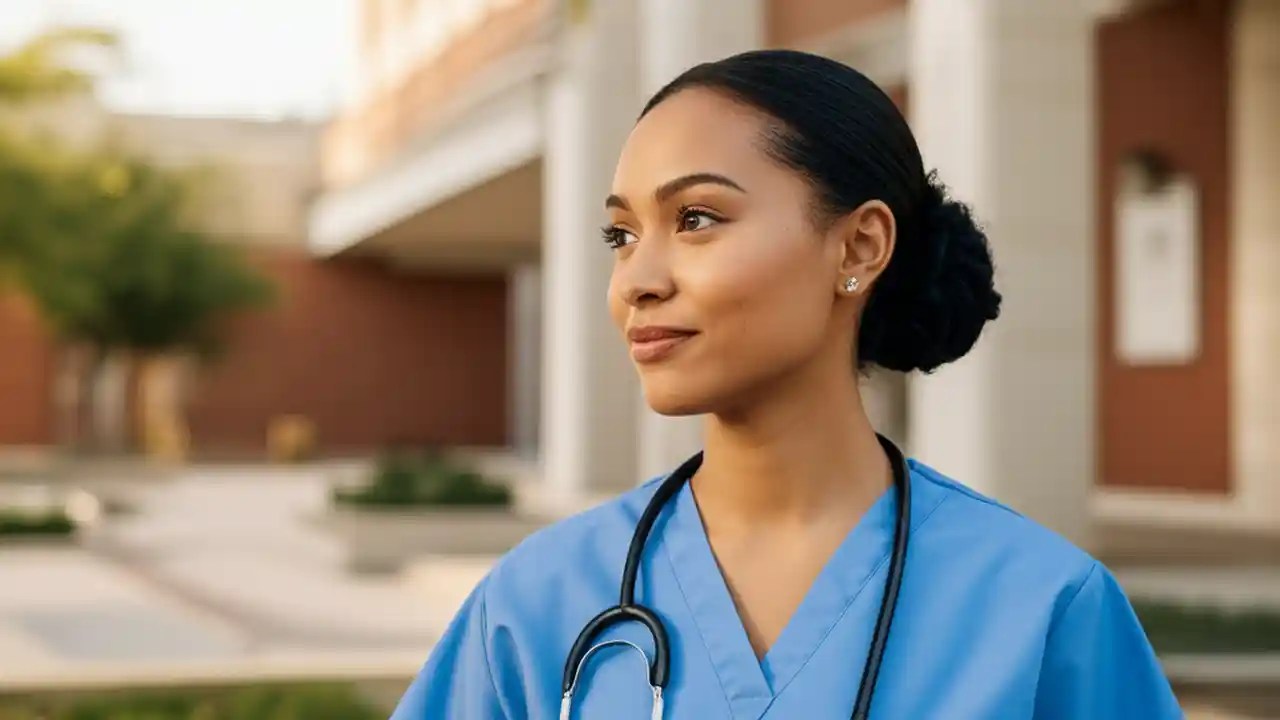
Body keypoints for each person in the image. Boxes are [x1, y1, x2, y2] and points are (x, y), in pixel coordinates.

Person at [390, 49, 1181, 719]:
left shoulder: (1042, 609)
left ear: (860, 248)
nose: (637, 279)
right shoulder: (536, 604)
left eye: (696, 218)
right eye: (621, 236)